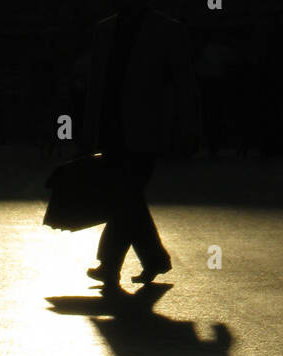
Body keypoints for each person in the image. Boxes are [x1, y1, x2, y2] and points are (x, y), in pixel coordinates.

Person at [83, 1, 201, 289]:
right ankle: (152, 259)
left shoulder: (164, 30)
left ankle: (114, 265)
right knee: (128, 195)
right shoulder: (109, 30)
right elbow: (95, 85)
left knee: (125, 194)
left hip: (145, 128)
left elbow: (185, 85)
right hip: (114, 127)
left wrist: (187, 127)